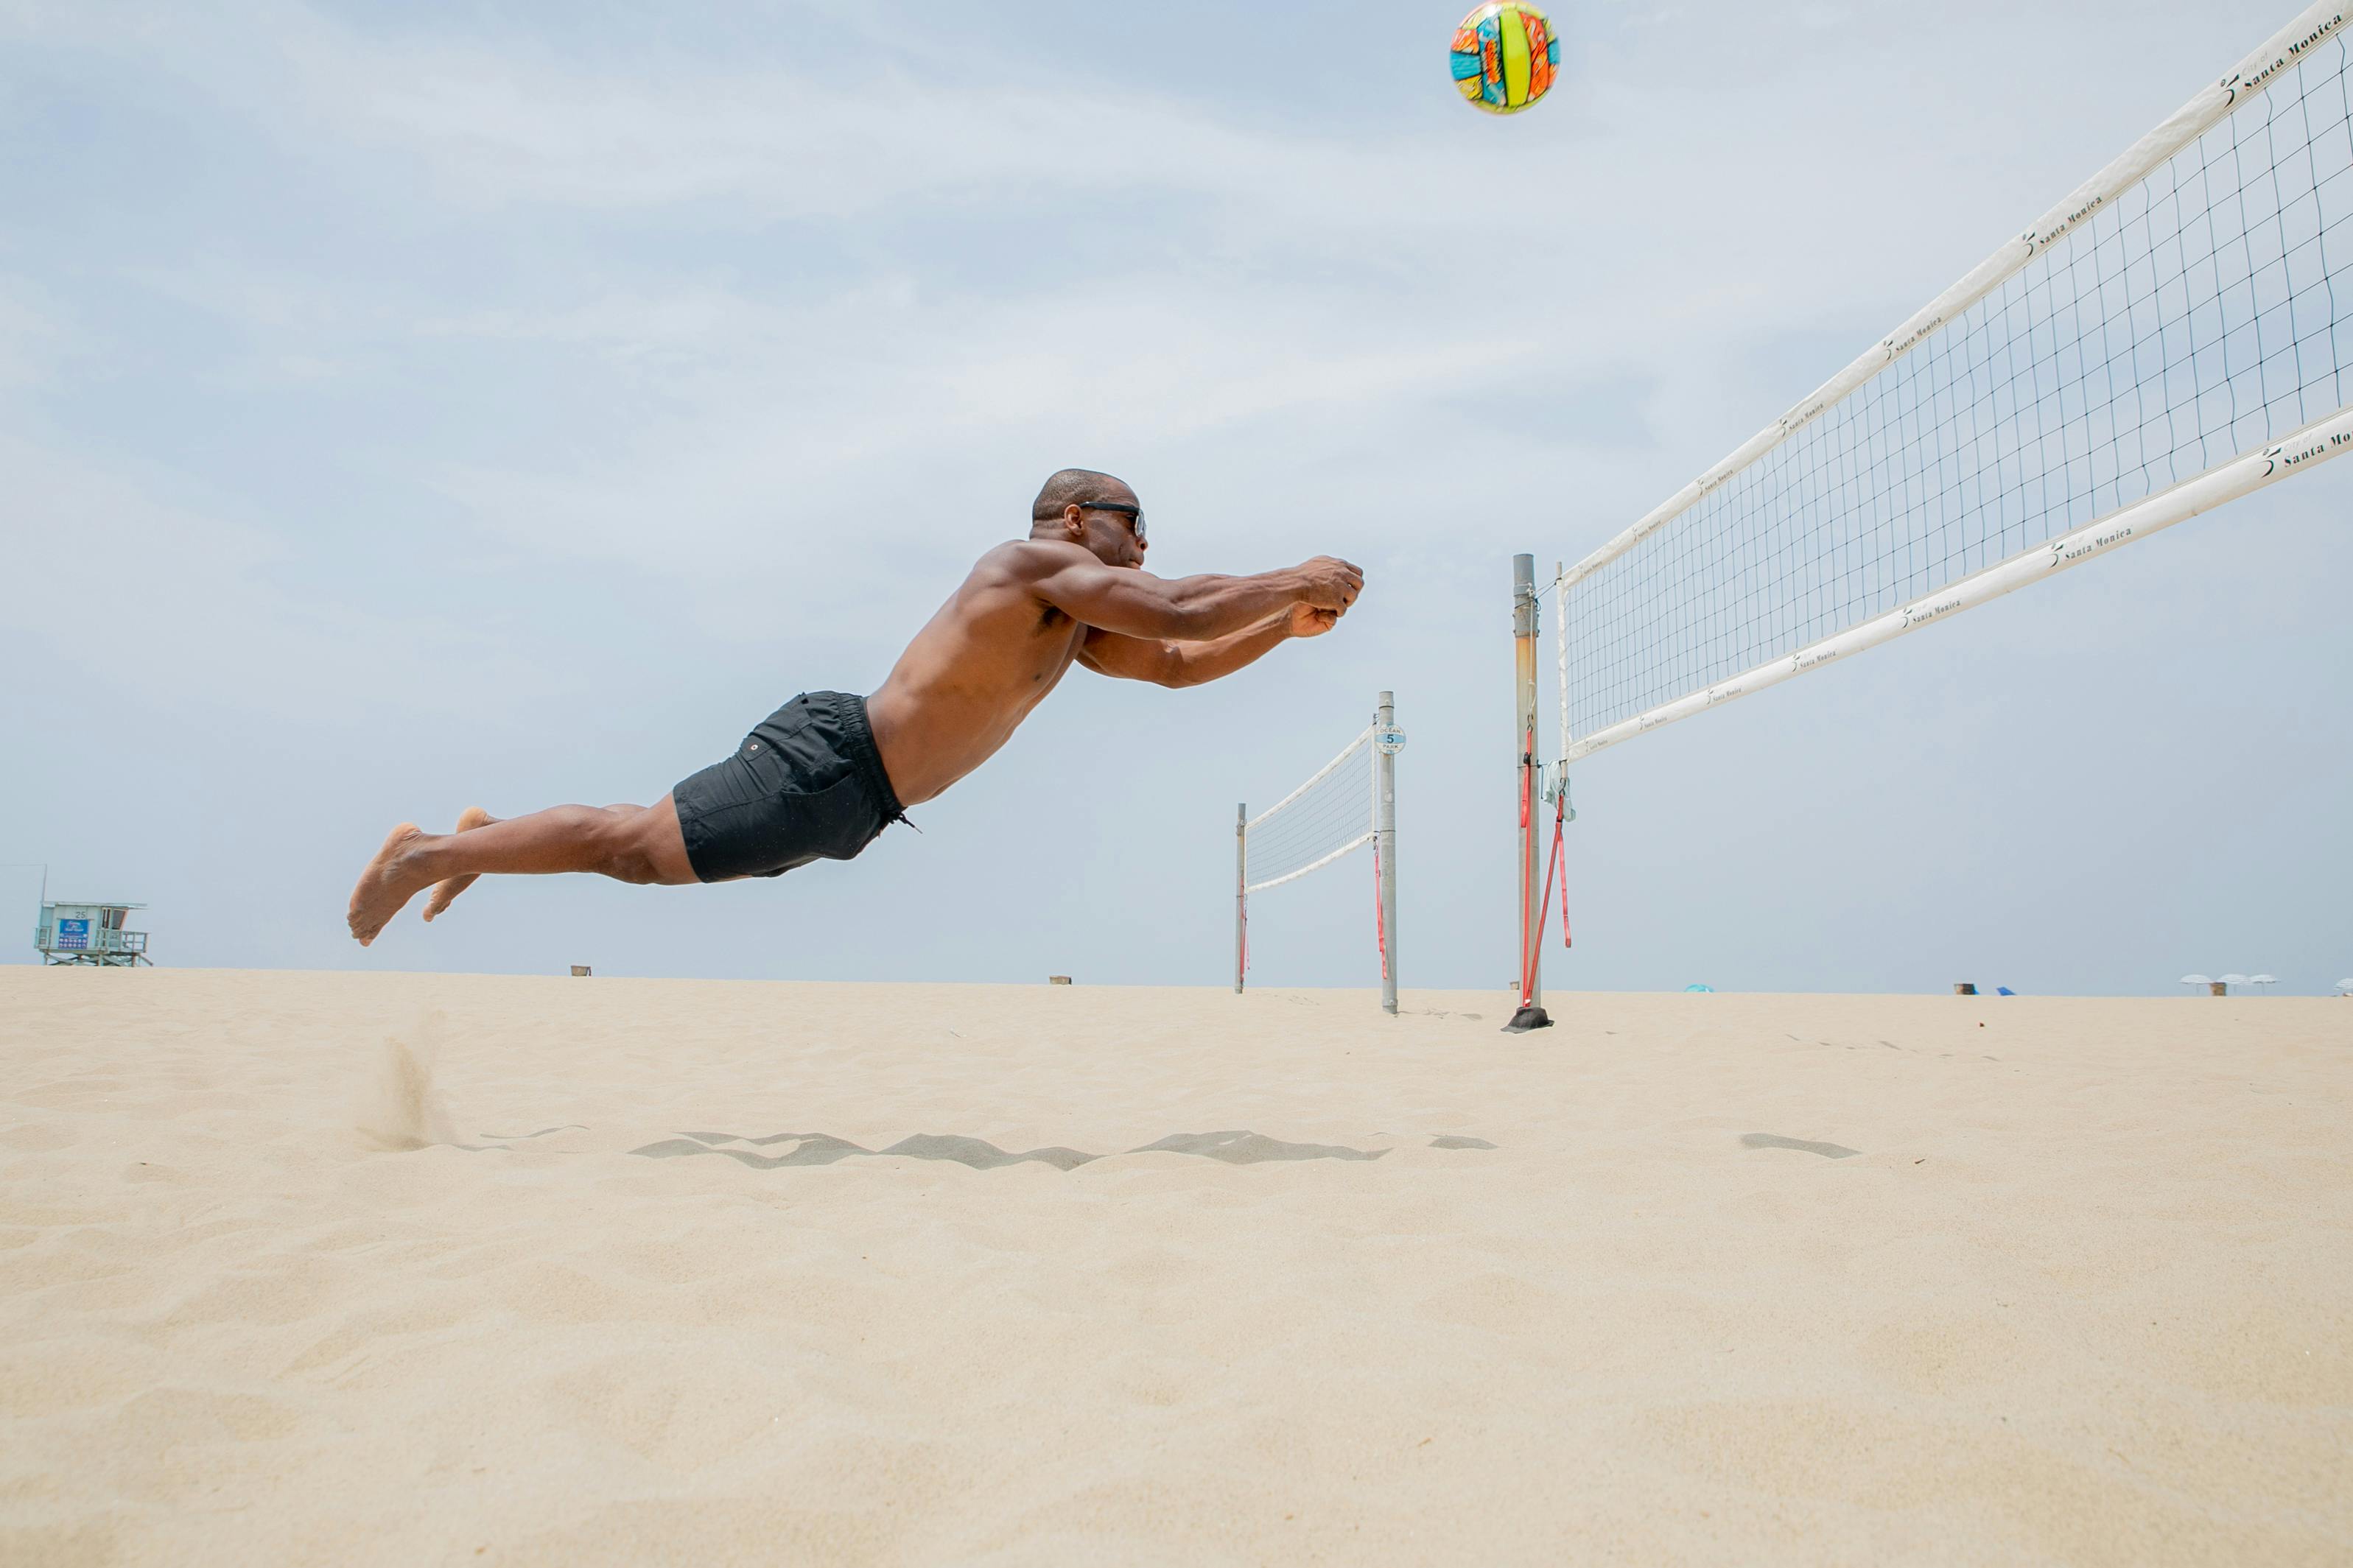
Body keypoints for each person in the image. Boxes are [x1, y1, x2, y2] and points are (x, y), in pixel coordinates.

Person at [346, 468, 1364, 944]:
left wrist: (1283, 625)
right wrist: (1293, 575)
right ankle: (429, 852)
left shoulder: (1079, 625)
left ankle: (485, 840)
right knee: (633, 849)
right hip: (830, 764)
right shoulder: (1028, 566)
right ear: (1073, 517)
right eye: (1134, 524)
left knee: (643, 851)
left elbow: (1178, 661)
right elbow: (1181, 606)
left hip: (857, 802)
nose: (1144, 546)